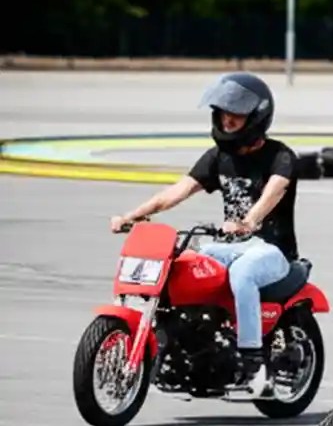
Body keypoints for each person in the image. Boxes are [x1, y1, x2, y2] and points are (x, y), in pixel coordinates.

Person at [109, 72, 299, 398]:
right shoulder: (217, 158)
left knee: (243, 273)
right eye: (224, 112)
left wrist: (250, 220)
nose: (228, 119)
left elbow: (275, 191)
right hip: (230, 245)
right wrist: (132, 215)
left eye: (236, 114)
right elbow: (176, 192)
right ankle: (190, 344)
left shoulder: (280, 156)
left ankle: (253, 362)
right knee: (184, 265)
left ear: (255, 117)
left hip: (271, 249)